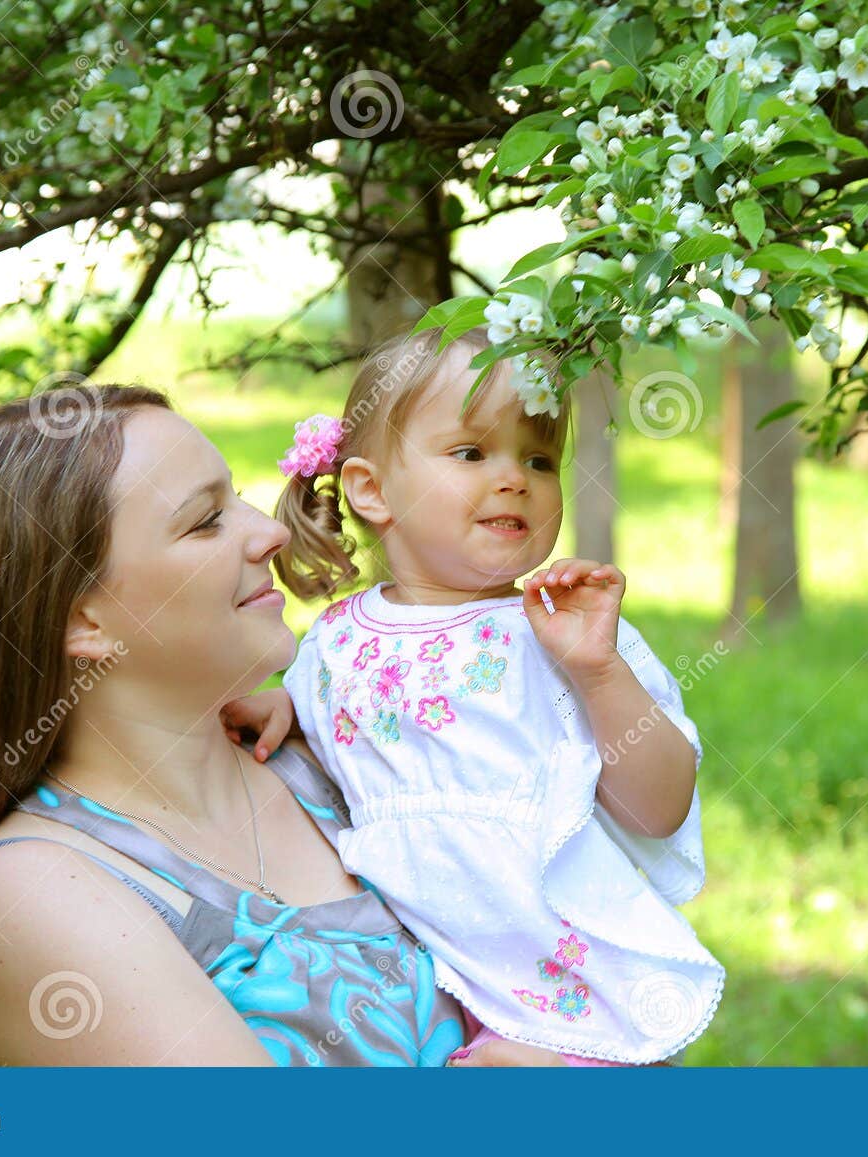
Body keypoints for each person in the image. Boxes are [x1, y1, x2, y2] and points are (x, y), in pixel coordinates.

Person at [0, 384, 559, 1066]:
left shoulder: (335, 763)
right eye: (204, 520)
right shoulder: (28, 896)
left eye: (240, 497)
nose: (273, 532)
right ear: (82, 618)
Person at [259, 328, 724, 1065]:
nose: (515, 478)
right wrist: (285, 713)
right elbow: (320, 720)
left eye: (539, 459)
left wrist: (599, 674)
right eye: (472, 452)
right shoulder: (335, 640)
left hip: (574, 985)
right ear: (370, 489)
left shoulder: (564, 633)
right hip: (428, 988)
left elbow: (660, 808)